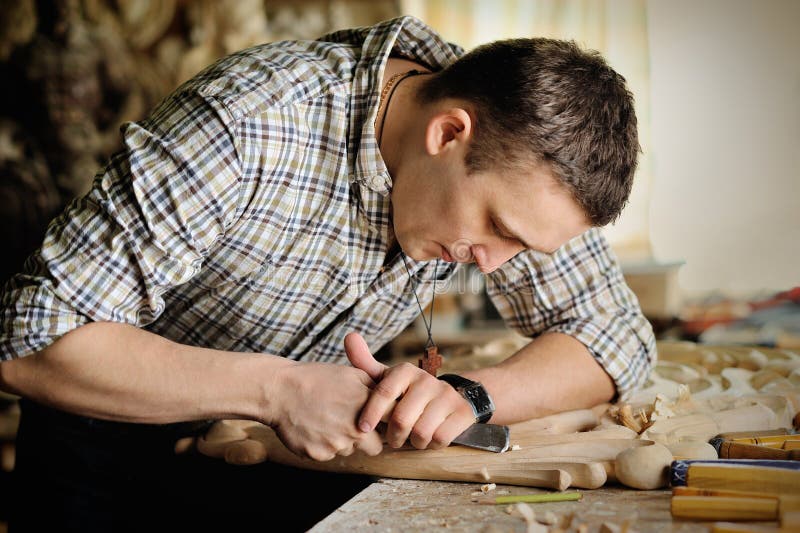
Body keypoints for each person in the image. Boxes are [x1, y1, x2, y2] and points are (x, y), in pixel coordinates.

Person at [0, 14, 655, 532]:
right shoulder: (249, 121)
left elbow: (617, 335)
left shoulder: (521, 156)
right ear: (448, 133)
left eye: (524, 248)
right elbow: (27, 340)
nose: (493, 263)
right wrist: (277, 390)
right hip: (102, 444)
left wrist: (471, 393)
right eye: (499, 229)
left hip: (280, 460)